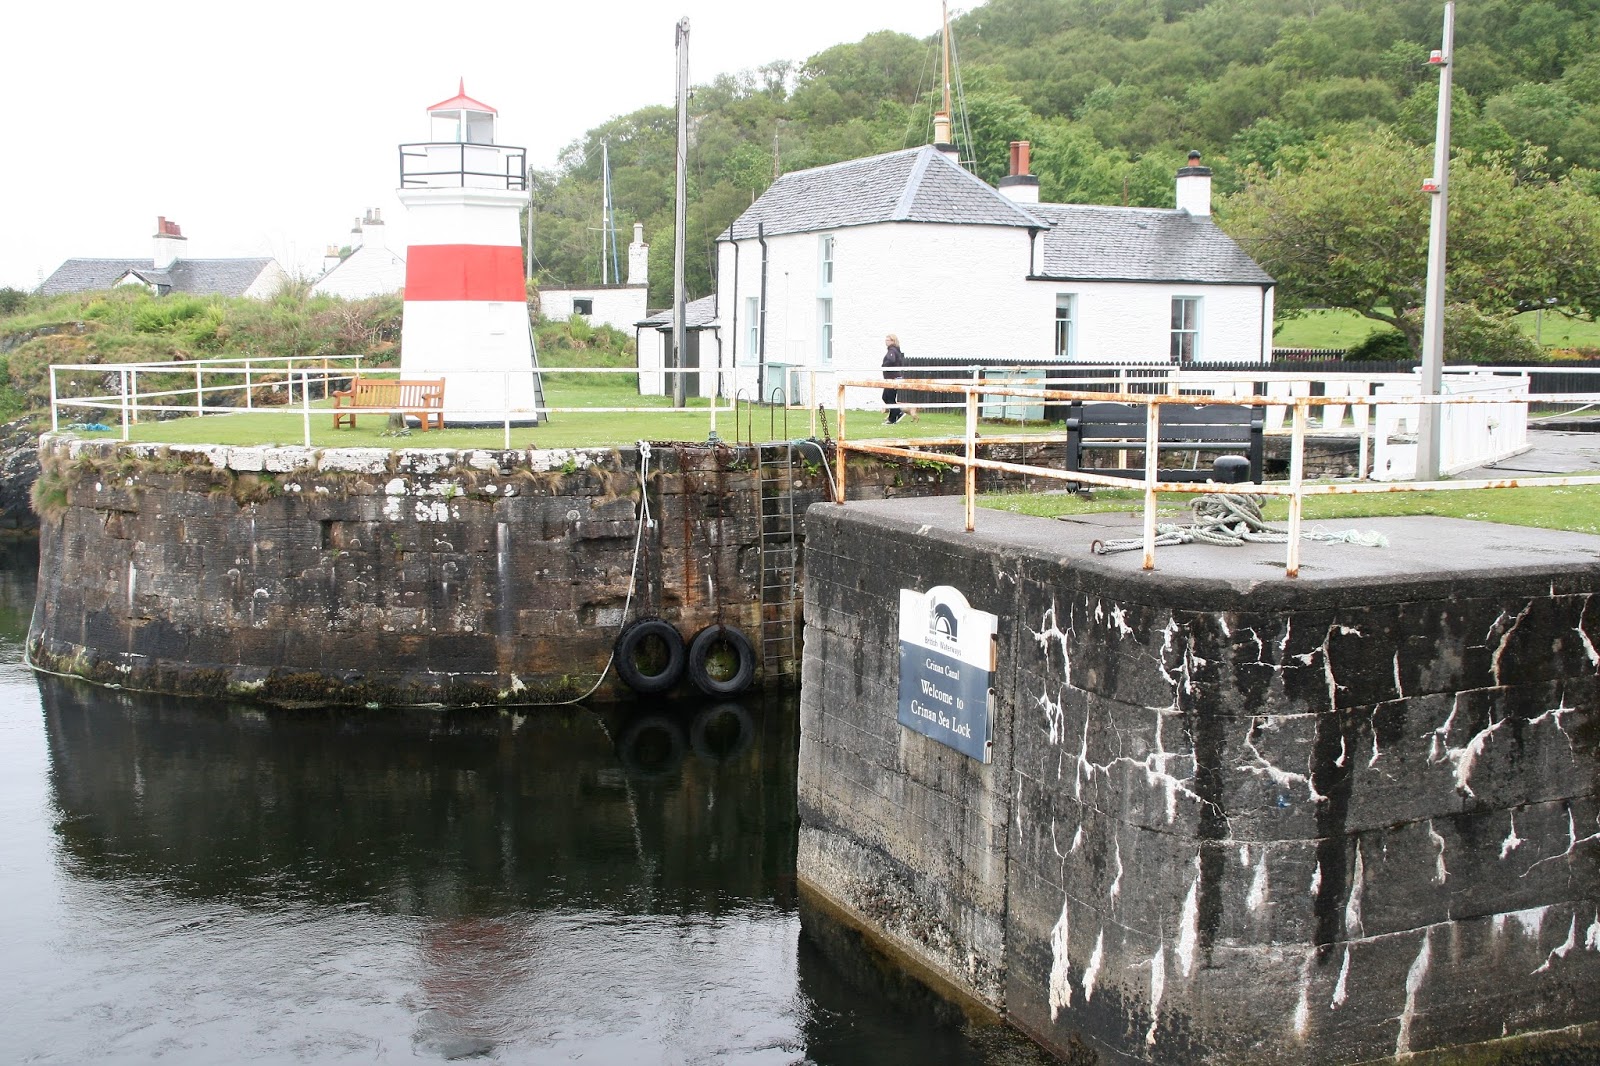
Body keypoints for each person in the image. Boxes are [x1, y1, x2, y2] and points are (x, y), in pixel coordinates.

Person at [881, 334, 909, 425]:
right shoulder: (895, 350)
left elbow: (891, 360)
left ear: (893, 341)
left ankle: (894, 416)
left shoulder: (892, 350)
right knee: (886, 397)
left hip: (893, 378)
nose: (886, 342)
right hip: (891, 378)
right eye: (886, 340)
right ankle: (895, 414)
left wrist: (884, 365)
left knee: (889, 398)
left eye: (888, 340)